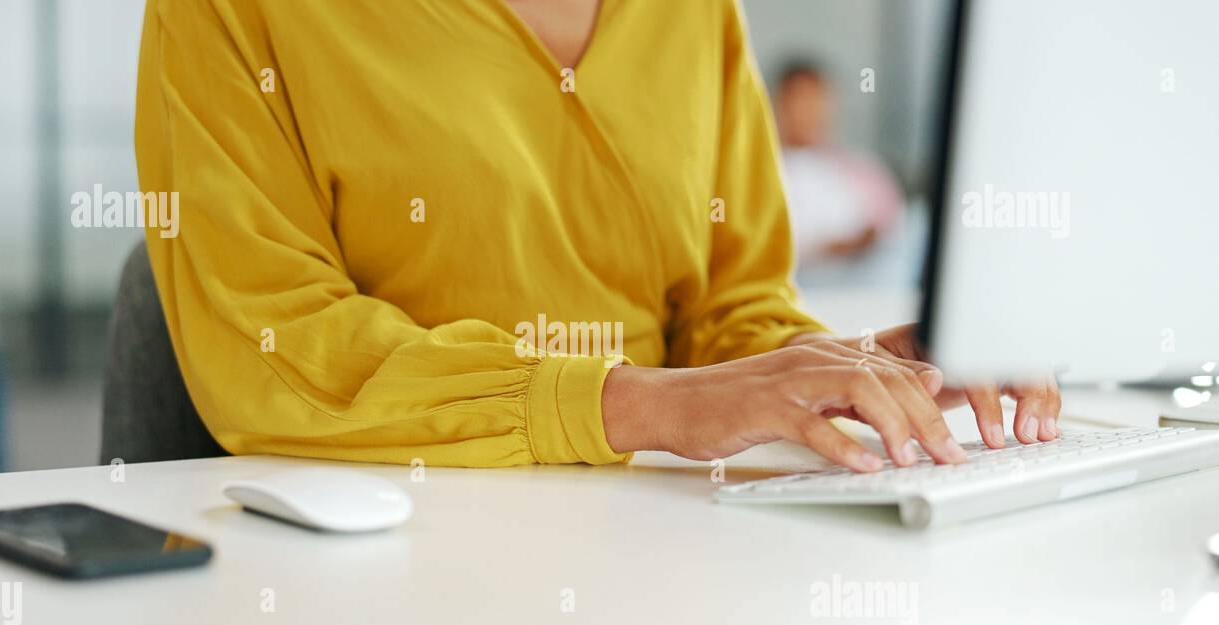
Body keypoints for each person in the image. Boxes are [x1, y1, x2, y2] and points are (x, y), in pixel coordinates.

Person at [135, 0, 1060, 473]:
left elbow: (725, 306)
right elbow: (273, 350)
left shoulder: (694, 12)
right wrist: (645, 406)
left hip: (659, 547)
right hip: (384, 573)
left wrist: (841, 372)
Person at [772, 60, 905, 263]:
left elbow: (892, 234)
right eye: (799, 101)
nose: (809, 112)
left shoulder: (865, 172)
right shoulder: (762, 173)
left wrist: (860, 243)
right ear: (779, 105)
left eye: (816, 100)